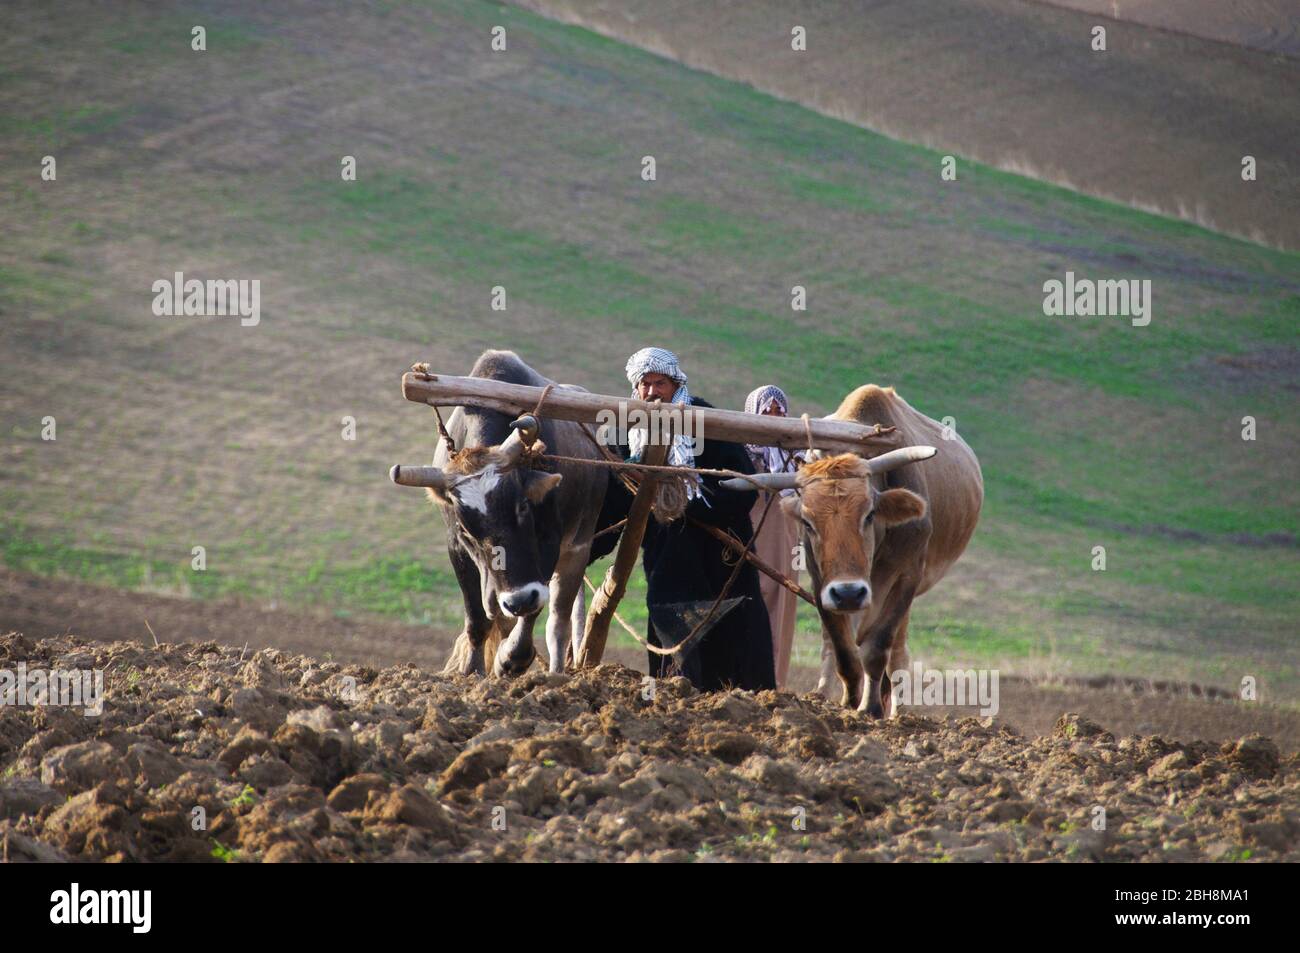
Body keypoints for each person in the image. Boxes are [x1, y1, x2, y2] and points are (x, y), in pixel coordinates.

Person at [607, 347, 776, 692]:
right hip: (667, 558)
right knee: (673, 632)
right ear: (636, 389)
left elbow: (743, 488)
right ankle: (677, 696)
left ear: (675, 383)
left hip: (721, 554)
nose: (653, 392)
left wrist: (686, 500)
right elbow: (615, 497)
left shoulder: (705, 420)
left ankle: (752, 704)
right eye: (645, 384)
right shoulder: (626, 432)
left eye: (660, 383)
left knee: (738, 636)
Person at [743, 385, 804, 690]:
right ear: (753, 413)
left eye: (779, 410)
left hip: (786, 544)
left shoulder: (798, 456)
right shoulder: (739, 453)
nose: (773, 415)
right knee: (748, 599)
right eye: (766, 410)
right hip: (747, 540)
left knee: (781, 603)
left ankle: (773, 684)